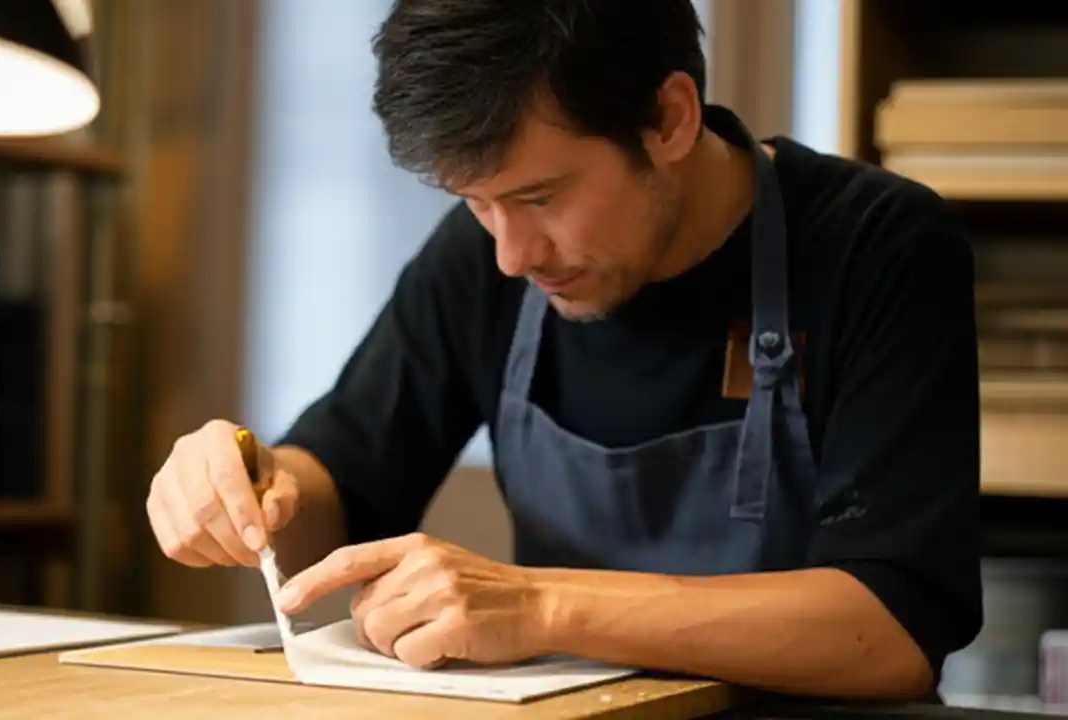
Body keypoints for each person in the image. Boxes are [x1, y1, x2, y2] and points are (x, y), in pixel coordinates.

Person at [146, 0, 982, 701]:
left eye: (539, 197)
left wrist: (541, 605)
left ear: (669, 119)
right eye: (476, 203)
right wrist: (255, 488)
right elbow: (342, 482)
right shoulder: (481, 259)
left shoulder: (880, 246)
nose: (512, 254)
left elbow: (892, 629)